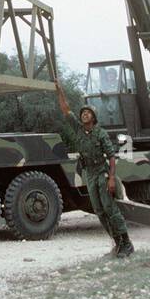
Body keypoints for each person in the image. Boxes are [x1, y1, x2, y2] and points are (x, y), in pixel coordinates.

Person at [55, 79, 134, 258]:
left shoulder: (101, 133)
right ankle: (117, 242)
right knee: (98, 210)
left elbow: (112, 156)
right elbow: (66, 110)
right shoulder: (78, 130)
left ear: (93, 117)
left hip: (102, 172)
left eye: (87, 113)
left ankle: (127, 242)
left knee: (109, 207)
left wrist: (112, 178)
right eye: (83, 113)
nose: (84, 115)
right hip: (89, 173)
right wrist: (59, 91)